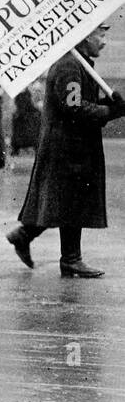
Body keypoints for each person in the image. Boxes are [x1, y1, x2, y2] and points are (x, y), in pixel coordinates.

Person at [7, 25, 125, 278]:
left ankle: (28, 238)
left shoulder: (80, 64)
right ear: (85, 37)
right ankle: (69, 258)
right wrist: (111, 111)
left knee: (67, 201)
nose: (104, 42)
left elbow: (80, 103)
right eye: (100, 36)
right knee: (67, 201)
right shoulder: (69, 66)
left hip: (74, 147)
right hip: (67, 149)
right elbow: (75, 108)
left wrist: (110, 105)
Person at [10, 87, 41, 156]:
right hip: (21, 118)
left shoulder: (27, 93)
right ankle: (15, 150)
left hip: (25, 117)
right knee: (20, 135)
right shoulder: (19, 95)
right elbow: (20, 105)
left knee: (31, 133)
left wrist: (36, 111)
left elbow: (29, 104)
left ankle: (16, 150)